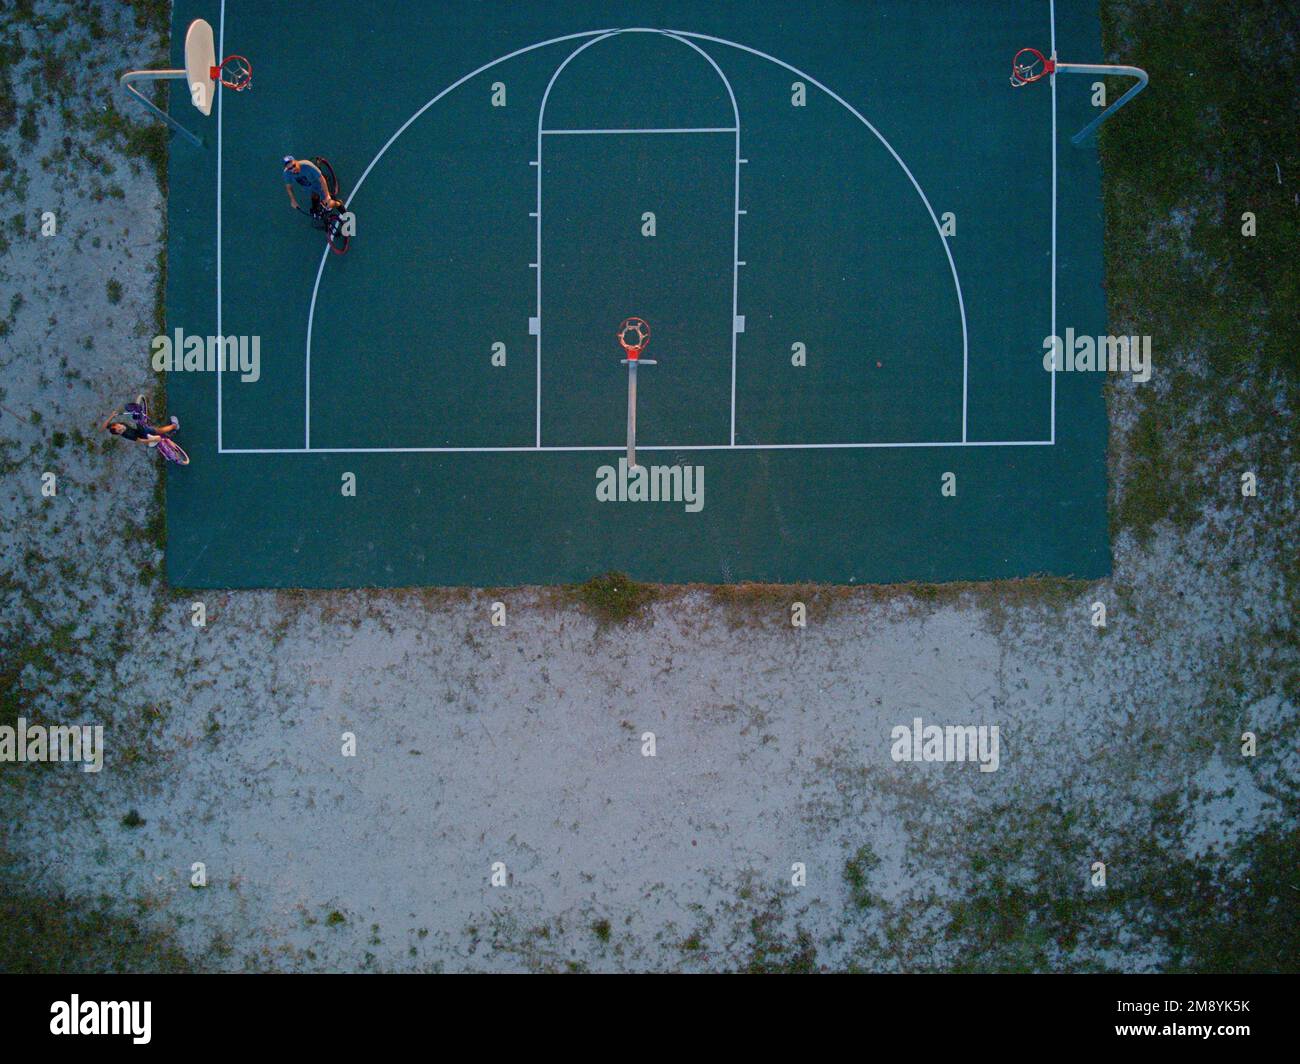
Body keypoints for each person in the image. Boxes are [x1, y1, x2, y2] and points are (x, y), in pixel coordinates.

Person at [102, 394, 178, 446]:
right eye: (119, 431)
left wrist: (112, 416)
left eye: (118, 427)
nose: (120, 428)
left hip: (138, 430)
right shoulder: (128, 435)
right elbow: (140, 441)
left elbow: (103, 427)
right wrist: (152, 440)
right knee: (157, 431)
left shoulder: (114, 427)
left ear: (116, 424)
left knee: (137, 419)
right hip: (142, 435)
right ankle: (175, 426)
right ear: (119, 433)